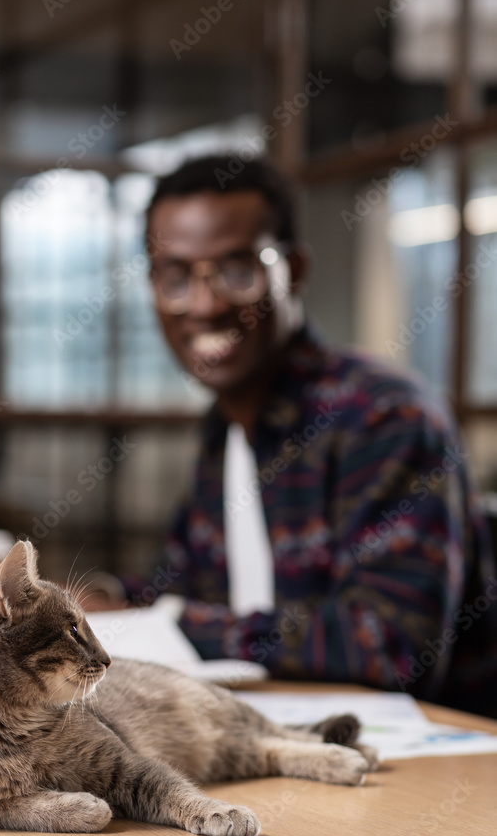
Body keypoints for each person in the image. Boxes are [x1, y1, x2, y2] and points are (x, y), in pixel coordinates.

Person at [133, 153, 496, 716]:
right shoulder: (222, 431)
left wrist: (179, 624)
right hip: (296, 742)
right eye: (175, 278)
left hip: (437, 767)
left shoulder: (382, 417)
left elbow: (389, 646)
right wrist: (94, 606)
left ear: (294, 270)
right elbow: (187, 587)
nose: (203, 305)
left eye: (237, 272)